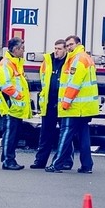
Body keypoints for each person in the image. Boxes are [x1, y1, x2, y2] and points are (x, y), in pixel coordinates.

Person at [47, 35, 99, 174]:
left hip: (75, 106)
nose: (69, 47)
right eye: (68, 45)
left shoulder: (78, 59)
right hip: (83, 107)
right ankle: (87, 165)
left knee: (65, 134)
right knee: (83, 136)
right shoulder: (82, 57)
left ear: (79, 44)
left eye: (71, 45)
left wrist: (65, 103)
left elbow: (74, 84)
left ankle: (57, 164)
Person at [30, 38, 68, 169]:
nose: (57, 51)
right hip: (49, 102)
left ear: (65, 50)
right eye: (55, 48)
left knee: (65, 135)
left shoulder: (68, 62)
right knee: (45, 134)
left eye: (60, 49)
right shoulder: (48, 61)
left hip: (63, 104)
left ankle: (66, 161)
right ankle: (40, 161)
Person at [0, 37, 30, 170]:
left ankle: (8, 158)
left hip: (15, 107)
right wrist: (20, 96)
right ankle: (8, 160)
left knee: (13, 135)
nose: (24, 51)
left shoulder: (16, 63)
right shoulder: (6, 64)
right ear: (15, 49)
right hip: (11, 106)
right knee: (10, 135)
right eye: (22, 48)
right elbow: (5, 86)